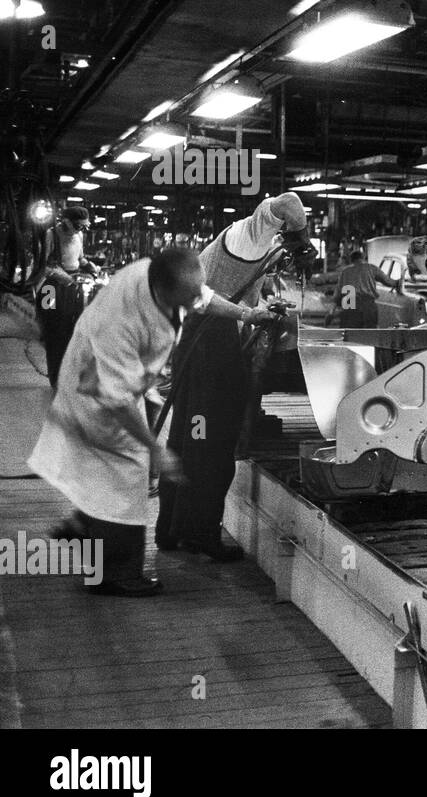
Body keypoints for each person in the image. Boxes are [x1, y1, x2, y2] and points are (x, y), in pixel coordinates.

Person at [28, 247, 270, 596]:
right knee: (128, 469)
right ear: (162, 290)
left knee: (114, 470)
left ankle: (85, 529)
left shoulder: (166, 279)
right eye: (186, 297)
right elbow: (117, 399)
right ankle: (115, 574)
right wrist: (156, 449)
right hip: (94, 387)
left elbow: (204, 298)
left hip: (125, 381)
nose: (193, 302)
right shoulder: (120, 319)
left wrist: (246, 314)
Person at [155, 192, 314, 561]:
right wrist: (303, 237)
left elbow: (238, 301)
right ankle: (200, 535)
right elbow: (289, 200)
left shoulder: (260, 252)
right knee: (213, 442)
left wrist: (261, 309)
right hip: (208, 344)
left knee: (189, 435)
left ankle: (172, 529)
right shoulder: (249, 234)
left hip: (199, 342)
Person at [37, 205, 98, 388]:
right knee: (54, 331)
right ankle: (55, 378)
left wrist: (90, 266)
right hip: (53, 288)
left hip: (72, 285)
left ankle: (70, 376)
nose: (81, 230)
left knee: (74, 330)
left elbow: (79, 259)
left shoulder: (78, 235)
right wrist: (58, 275)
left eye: (83, 227)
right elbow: (41, 265)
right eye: (78, 226)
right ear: (66, 222)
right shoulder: (51, 235)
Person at [334, 250, 398, 327]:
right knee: (369, 334)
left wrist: (336, 307)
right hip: (367, 305)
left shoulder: (345, 272)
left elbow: (338, 294)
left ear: (351, 260)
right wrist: (399, 282)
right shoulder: (371, 268)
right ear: (363, 258)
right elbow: (389, 282)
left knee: (349, 334)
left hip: (349, 305)